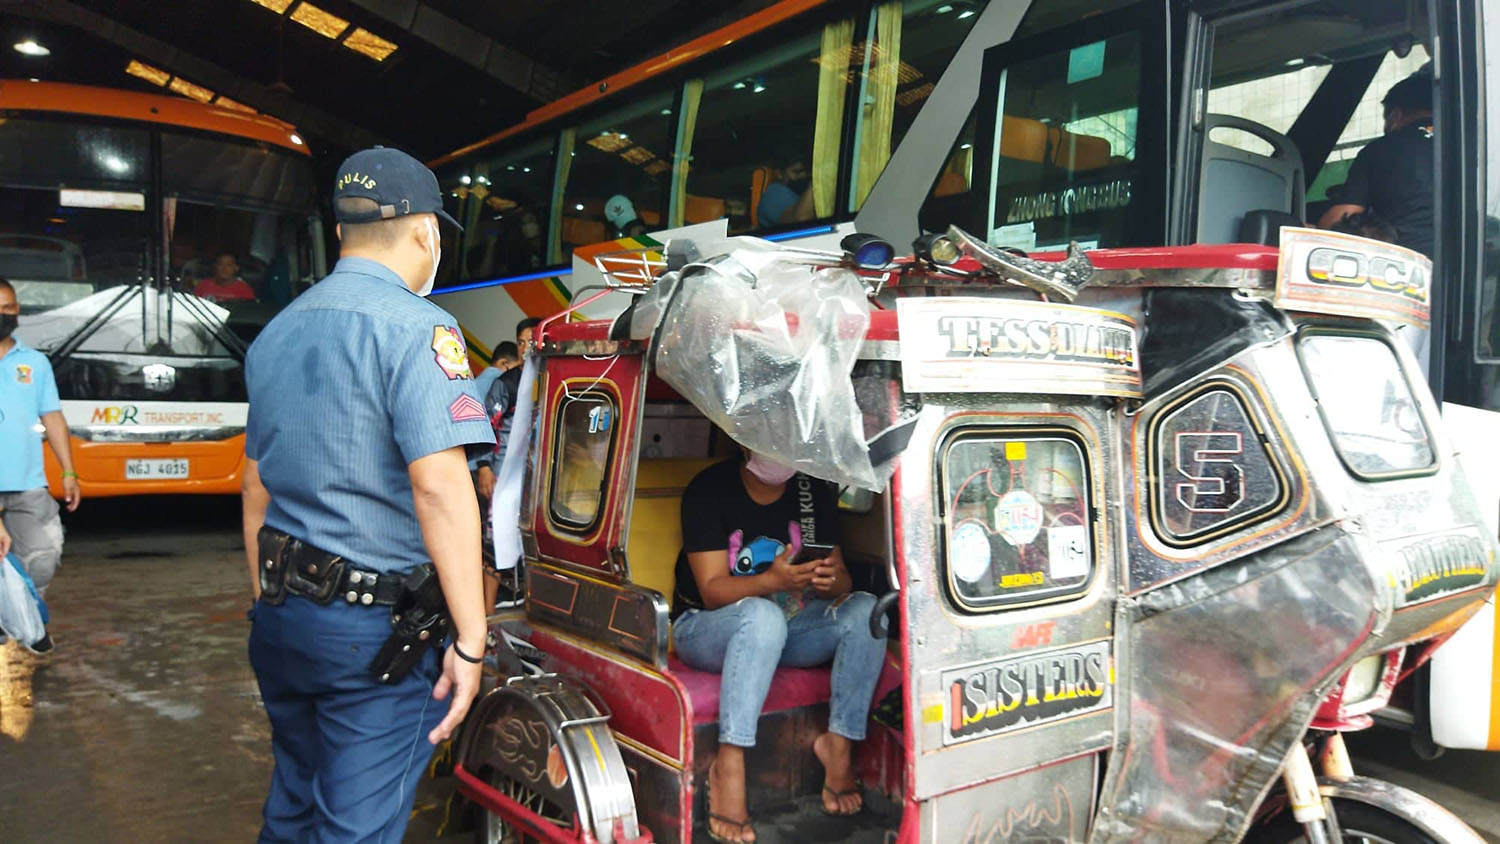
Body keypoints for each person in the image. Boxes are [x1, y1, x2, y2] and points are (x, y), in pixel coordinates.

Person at [240, 147, 495, 841]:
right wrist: (471, 641)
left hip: (284, 620)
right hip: (371, 638)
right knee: (355, 828)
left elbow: (255, 480)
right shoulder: (422, 327)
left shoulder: (276, 333)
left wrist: (266, 599)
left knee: (293, 806)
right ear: (425, 232)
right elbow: (439, 484)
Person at [671, 450, 884, 843]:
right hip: (705, 628)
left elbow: (842, 581)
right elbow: (712, 590)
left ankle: (838, 745)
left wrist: (828, 581)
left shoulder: (812, 489)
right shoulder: (709, 490)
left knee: (868, 611)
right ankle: (729, 763)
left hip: (787, 629)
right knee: (762, 617)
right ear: (747, 444)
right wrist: (772, 582)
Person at [0, 277, 81, 654]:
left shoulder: (34, 363)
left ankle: (26, 616)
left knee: (43, 559)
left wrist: (68, 471)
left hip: (27, 484)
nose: (4, 315)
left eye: (8, 308)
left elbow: (53, 418)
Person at [1318, 70, 1434, 257]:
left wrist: (1314, 227)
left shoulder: (1382, 148)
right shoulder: (1470, 144)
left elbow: (1342, 218)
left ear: (1395, 116)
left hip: (1410, 261)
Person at [478, 341, 523, 609]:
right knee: (493, 545)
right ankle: (487, 614)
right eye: (526, 342)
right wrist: (484, 467)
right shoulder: (507, 384)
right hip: (501, 478)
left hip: (532, 482)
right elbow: (486, 425)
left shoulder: (551, 381)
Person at [757, 159, 815, 228]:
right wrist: (816, 182)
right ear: (780, 174)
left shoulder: (799, 190)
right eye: (797, 172)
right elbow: (802, 219)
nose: (804, 175)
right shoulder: (774, 193)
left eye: (807, 171)